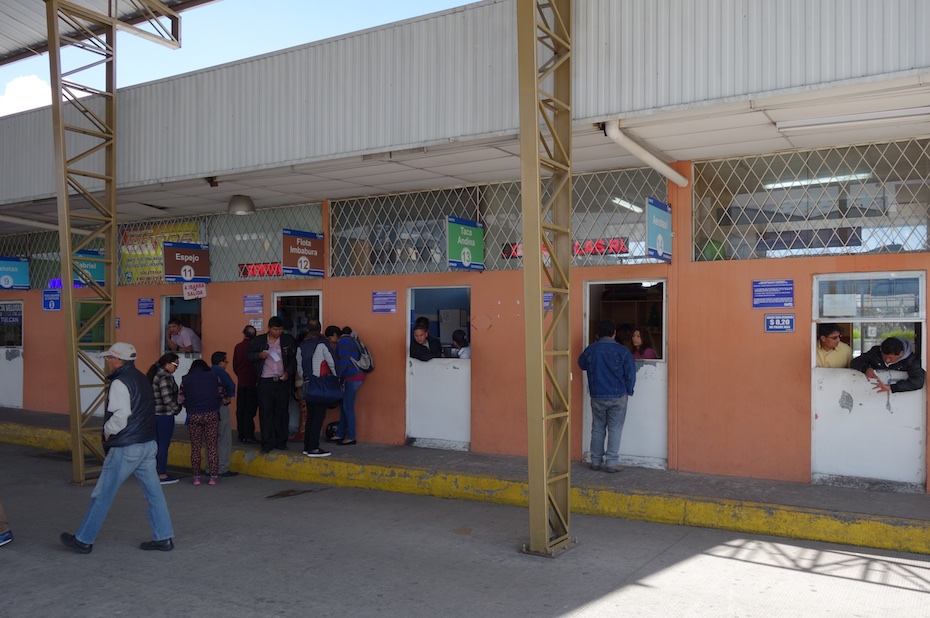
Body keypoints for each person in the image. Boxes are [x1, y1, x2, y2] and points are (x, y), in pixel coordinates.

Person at [61, 342, 175, 553]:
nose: (107, 361)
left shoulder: (119, 382)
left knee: (103, 494)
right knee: (154, 494)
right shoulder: (142, 378)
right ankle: (164, 537)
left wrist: (108, 429)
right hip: (148, 444)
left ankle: (84, 540)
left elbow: (121, 415)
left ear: (117, 360)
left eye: (109, 358)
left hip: (126, 446)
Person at [578, 320, 637, 474]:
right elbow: (631, 373)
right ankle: (611, 462)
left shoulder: (591, 350)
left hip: (597, 395)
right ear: (614, 333)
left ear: (598, 333)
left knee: (597, 428)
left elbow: (581, 364)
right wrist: (629, 391)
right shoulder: (622, 351)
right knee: (615, 429)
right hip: (618, 396)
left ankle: (596, 461)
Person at [248, 316, 298, 453]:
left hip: (282, 381)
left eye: (280, 329)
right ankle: (267, 443)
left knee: (282, 413)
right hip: (265, 382)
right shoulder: (259, 341)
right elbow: (249, 356)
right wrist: (259, 356)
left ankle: (281, 441)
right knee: (265, 413)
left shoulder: (288, 340)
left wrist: (288, 372)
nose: (278, 332)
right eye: (275, 329)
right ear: (269, 328)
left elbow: (293, 360)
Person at [180, 359, 225, 485]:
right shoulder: (214, 377)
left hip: (194, 415)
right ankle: (213, 477)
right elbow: (221, 393)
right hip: (211, 414)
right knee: (211, 446)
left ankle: (196, 477)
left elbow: (181, 398)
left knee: (195, 447)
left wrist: (189, 406)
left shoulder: (186, 379)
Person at [297, 319, 336, 457]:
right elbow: (331, 362)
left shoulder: (301, 345)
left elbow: (299, 367)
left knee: (310, 416)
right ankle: (314, 447)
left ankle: (307, 447)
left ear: (308, 329)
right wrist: (336, 378)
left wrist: (306, 378)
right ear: (320, 329)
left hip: (306, 384)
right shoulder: (322, 343)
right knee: (318, 417)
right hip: (319, 384)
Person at [146, 353, 181, 485]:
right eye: (175, 365)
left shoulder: (155, 374)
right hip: (164, 415)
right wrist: (177, 408)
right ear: (167, 364)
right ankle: (162, 474)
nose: (176, 368)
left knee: (155, 445)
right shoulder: (164, 376)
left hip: (154, 414)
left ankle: (153, 472)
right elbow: (167, 398)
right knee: (163, 445)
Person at [851, 336, 926, 393]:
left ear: (901, 354)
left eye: (890, 358)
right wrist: (866, 368)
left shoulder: (912, 360)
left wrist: (892, 387)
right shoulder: (875, 352)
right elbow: (855, 362)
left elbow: (918, 382)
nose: (887, 360)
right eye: (884, 356)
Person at [332, 326, 366, 445]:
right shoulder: (352, 340)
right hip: (355, 377)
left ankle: (351, 436)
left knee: (347, 407)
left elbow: (344, 361)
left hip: (352, 377)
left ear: (335, 335)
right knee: (345, 406)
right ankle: (340, 434)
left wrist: (338, 377)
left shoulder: (344, 342)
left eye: (331, 337)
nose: (331, 341)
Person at [211, 351, 238, 478]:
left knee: (211, 440)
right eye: (226, 361)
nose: (226, 364)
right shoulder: (221, 372)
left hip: (208, 409)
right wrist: (228, 397)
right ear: (221, 362)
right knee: (224, 438)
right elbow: (231, 385)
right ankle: (222, 468)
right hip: (221, 407)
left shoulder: (208, 372)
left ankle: (209, 467)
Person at [233, 324, 259, 444]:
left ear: (244, 334)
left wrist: (240, 375)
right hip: (253, 382)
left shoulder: (238, 347)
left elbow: (235, 366)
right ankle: (249, 434)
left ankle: (241, 434)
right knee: (250, 410)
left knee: (241, 409)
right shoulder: (256, 348)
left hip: (242, 381)